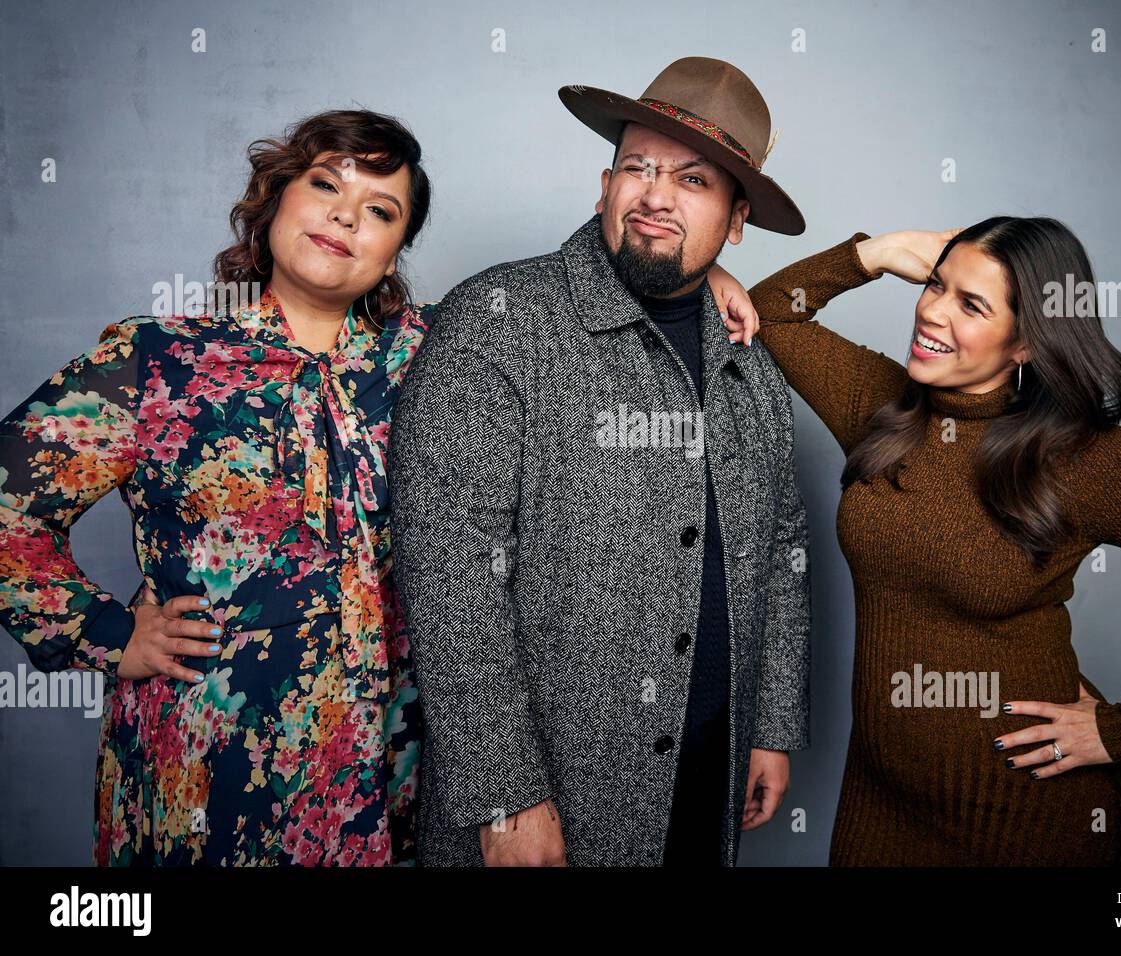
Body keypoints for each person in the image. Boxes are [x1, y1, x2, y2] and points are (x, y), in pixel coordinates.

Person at [709, 220, 1121, 864]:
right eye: (936, 285)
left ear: (1025, 343)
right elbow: (768, 312)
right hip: (881, 798)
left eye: (971, 304)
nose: (931, 312)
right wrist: (873, 254)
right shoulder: (882, 408)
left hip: (1023, 814)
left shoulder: (1081, 460)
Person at [390, 56, 806, 867]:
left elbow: (783, 551)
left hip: (707, 775)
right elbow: (449, 572)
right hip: (545, 793)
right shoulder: (502, 323)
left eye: (693, 181)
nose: (655, 194)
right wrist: (503, 790)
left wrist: (772, 725)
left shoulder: (750, 360)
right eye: (638, 168)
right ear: (604, 185)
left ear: (736, 219)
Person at [0, 109, 433, 864]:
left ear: (395, 250)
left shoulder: (431, 359)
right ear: (274, 201)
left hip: (385, 762)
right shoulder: (161, 359)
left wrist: (708, 277)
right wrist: (102, 633)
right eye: (326, 183)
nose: (344, 215)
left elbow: (561, 306)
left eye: (379, 210)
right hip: (201, 764)